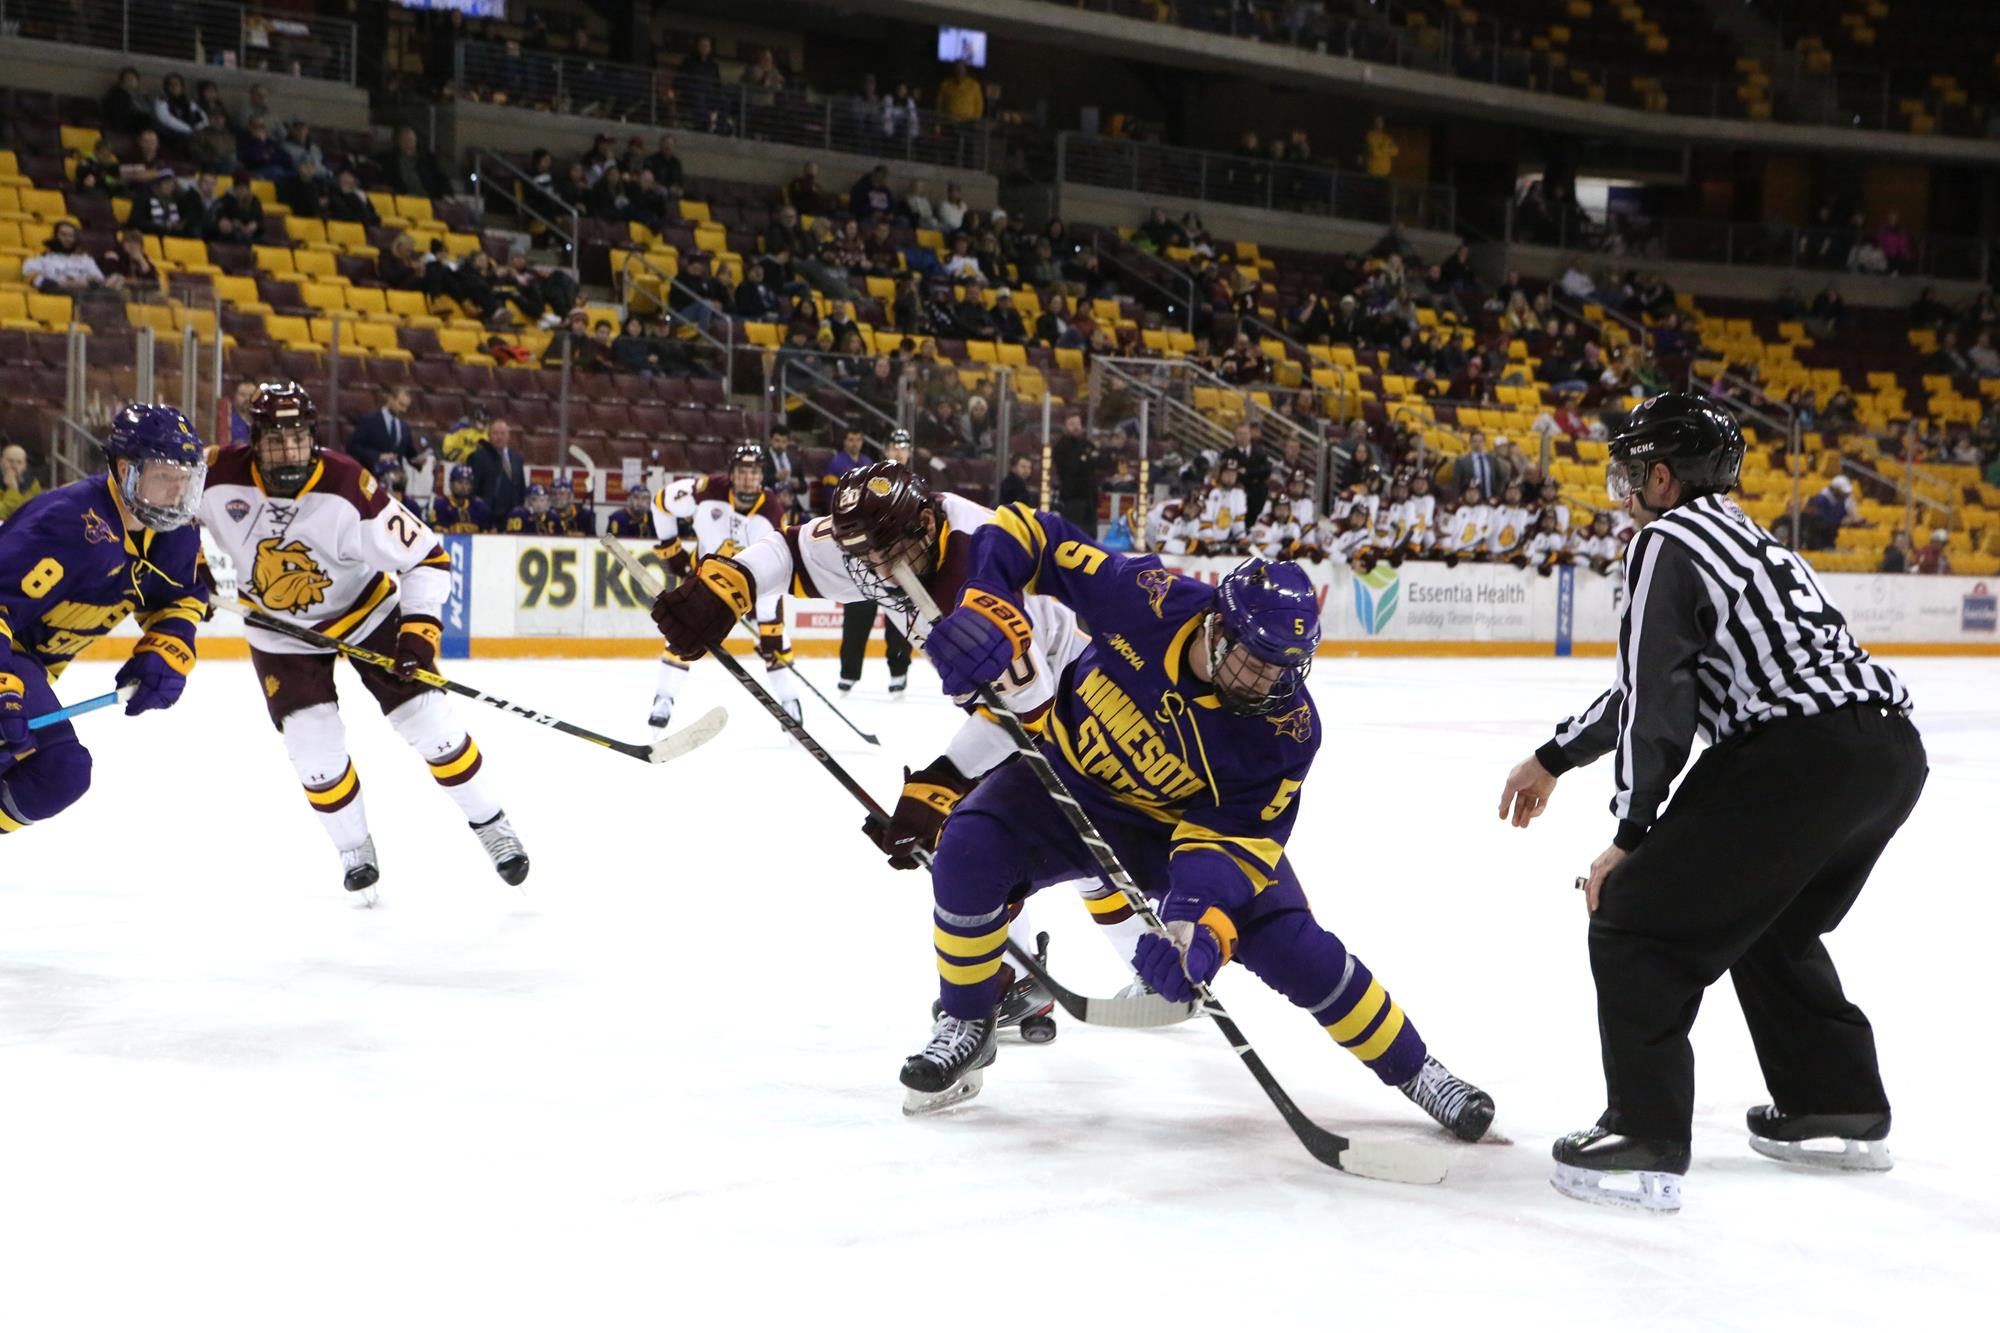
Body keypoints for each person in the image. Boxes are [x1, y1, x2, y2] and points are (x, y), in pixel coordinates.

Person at [840, 501, 1497, 1129]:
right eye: (1254, 662)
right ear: (1218, 624)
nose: (1268, 683)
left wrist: (1194, 927)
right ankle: (967, 1018)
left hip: (1177, 835)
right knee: (968, 847)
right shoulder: (1147, 596)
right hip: (1073, 785)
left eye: (1284, 669)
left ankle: (1419, 1070)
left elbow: (1231, 843)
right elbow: (1024, 532)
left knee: (1300, 948)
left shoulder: (1288, 731)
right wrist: (988, 602)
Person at [1496, 393, 1922, 1214]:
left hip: (1796, 756)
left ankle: (1644, 1134)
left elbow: (1659, 704)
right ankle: (1836, 1100)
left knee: (1634, 915)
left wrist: (1630, 837)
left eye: (1632, 470)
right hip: (1888, 754)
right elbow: (1654, 690)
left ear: (1662, 475)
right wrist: (1555, 757)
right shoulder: (1751, 539)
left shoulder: (1664, 540)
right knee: (1771, 920)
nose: (1624, 487)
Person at [646, 462, 1173, 1044]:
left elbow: (1028, 718)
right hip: (1018, 699)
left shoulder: (981, 575)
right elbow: (792, 549)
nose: (874, 571)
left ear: (927, 526)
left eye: (885, 555)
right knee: (1002, 843)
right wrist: (731, 582)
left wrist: (941, 781)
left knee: (1043, 844)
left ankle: (1129, 972)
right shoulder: (883, 537)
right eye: (863, 558)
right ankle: (1029, 978)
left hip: (1087, 692)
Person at [199, 383, 528, 898]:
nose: (289, 451)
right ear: (254, 439)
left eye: (298, 438)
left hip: (365, 612)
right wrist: (190, 564)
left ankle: (492, 826)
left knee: (429, 723)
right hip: (281, 632)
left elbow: (426, 557)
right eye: (276, 440)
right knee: (313, 750)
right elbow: (166, 509)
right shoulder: (215, 472)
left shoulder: (348, 483)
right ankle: (354, 848)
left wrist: (418, 636)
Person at [0, 406, 207, 840]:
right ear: (127, 470)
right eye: (165, 475)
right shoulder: (68, 522)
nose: (176, 491)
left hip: (28, 665)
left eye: (183, 478)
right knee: (59, 767)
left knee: (60, 774)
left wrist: (166, 650)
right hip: (8, 657)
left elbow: (182, 597)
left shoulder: (174, 533)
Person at [644, 444, 802, 732]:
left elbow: (777, 570)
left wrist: (769, 626)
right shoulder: (706, 490)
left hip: (754, 589)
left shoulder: (772, 513)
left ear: (762, 476)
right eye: (742, 470)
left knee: (775, 644)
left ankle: (790, 702)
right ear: (731, 473)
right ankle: (663, 699)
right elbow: (661, 502)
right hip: (707, 582)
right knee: (682, 631)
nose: (747, 478)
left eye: (753, 471)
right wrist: (670, 547)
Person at [827, 429, 913, 694]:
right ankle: (849, 673)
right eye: (894, 446)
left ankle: (899, 671)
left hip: (902, 560)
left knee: (901, 618)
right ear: (885, 449)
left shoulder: (916, 482)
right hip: (868, 559)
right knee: (857, 616)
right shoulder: (870, 478)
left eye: (903, 447)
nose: (899, 451)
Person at [347, 386, 415, 475]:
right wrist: (378, 456)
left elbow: (409, 454)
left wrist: (420, 461)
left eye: (406, 407)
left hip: (396, 480)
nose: (404, 410)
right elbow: (353, 447)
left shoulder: (404, 427)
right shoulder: (369, 420)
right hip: (370, 476)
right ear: (390, 399)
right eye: (401, 405)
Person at [1051, 411, 1100, 532]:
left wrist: (1085, 459)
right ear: (1066, 427)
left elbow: (1098, 463)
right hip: (1072, 498)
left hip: (1090, 497)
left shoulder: (1087, 444)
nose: (1076, 427)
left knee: (1091, 534)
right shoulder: (1061, 446)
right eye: (1072, 424)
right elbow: (1072, 468)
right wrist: (1085, 458)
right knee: (1073, 533)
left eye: (1078, 423)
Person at [469, 419, 526, 518]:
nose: (499, 437)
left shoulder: (517, 458)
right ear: (489, 435)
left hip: (511, 515)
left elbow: (521, 486)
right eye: (495, 433)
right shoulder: (477, 457)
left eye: (503, 433)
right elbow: (472, 487)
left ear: (508, 436)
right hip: (486, 513)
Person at [432, 465, 493, 534]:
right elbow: (438, 535)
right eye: (460, 482)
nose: (464, 486)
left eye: (467, 483)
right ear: (451, 483)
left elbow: (489, 534)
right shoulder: (441, 505)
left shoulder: (480, 507)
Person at [0, 443, 44, 521]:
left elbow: (36, 510)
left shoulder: (32, 483)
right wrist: (12, 488)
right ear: (1, 461)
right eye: (10, 461)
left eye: (19, 462)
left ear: (24, 466)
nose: (14, 465)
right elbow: (4, 513)